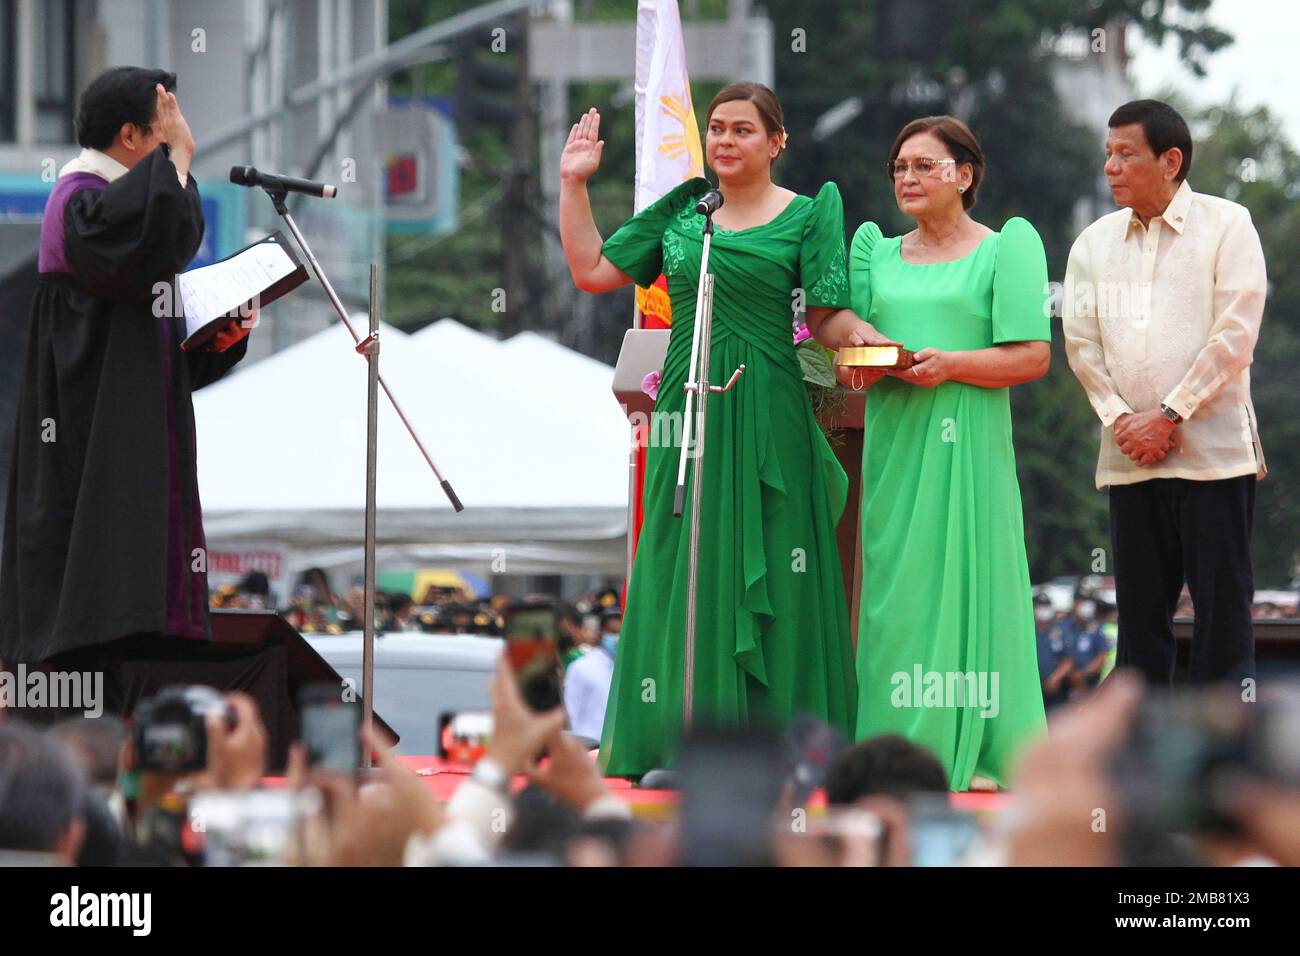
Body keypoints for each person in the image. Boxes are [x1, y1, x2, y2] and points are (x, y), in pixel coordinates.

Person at [558, 81, 894, 777]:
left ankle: (790, 751)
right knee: (683, 563)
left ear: (777, 142)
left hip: (768, 405)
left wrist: (877, 343)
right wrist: (574, 185)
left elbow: (828, 318)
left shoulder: (808, 215)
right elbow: (592, 271)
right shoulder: (686, 213)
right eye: (716, 128)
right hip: (687, 405)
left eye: (743, 129)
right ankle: (679, 744)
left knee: (783, 566)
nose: (725, 141)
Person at [0, 68, 252, 707]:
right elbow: (155, 240)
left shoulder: (118, 215)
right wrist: (182, 157)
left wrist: (215, 342)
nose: (176, 134)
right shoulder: (82, 203)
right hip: (87, 466)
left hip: (123, 451)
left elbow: (142, 367)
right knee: (96, 636)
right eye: (163, 125)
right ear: (131, 135)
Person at [844, 116, 1050, 791]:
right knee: (896, 593)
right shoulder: (874, 252)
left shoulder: (1006, 249)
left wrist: (953, 363)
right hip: (895, 441)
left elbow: (1033, 357)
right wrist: (862, 361)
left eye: (924, 166)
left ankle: (987, 750)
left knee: (972, 579)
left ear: (964, 175)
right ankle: (892, 748)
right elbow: (849, 351)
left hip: (967, 440)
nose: (907, 177)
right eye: (900, 166)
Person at [1061, 99, 1267, 685]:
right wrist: (1123, 419)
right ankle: (1137, 766)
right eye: (1108, 154)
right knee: (1140, 626)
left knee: (1223, 616)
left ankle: (1223, 768)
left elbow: (1236, 334)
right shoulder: (1092, 245)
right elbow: (1081, 342)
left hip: (1215, 459)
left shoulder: (1230, 225)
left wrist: (1170, 414)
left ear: (1171, 160)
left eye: (1126, 154)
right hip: (1130, 458)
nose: (1111, 167)